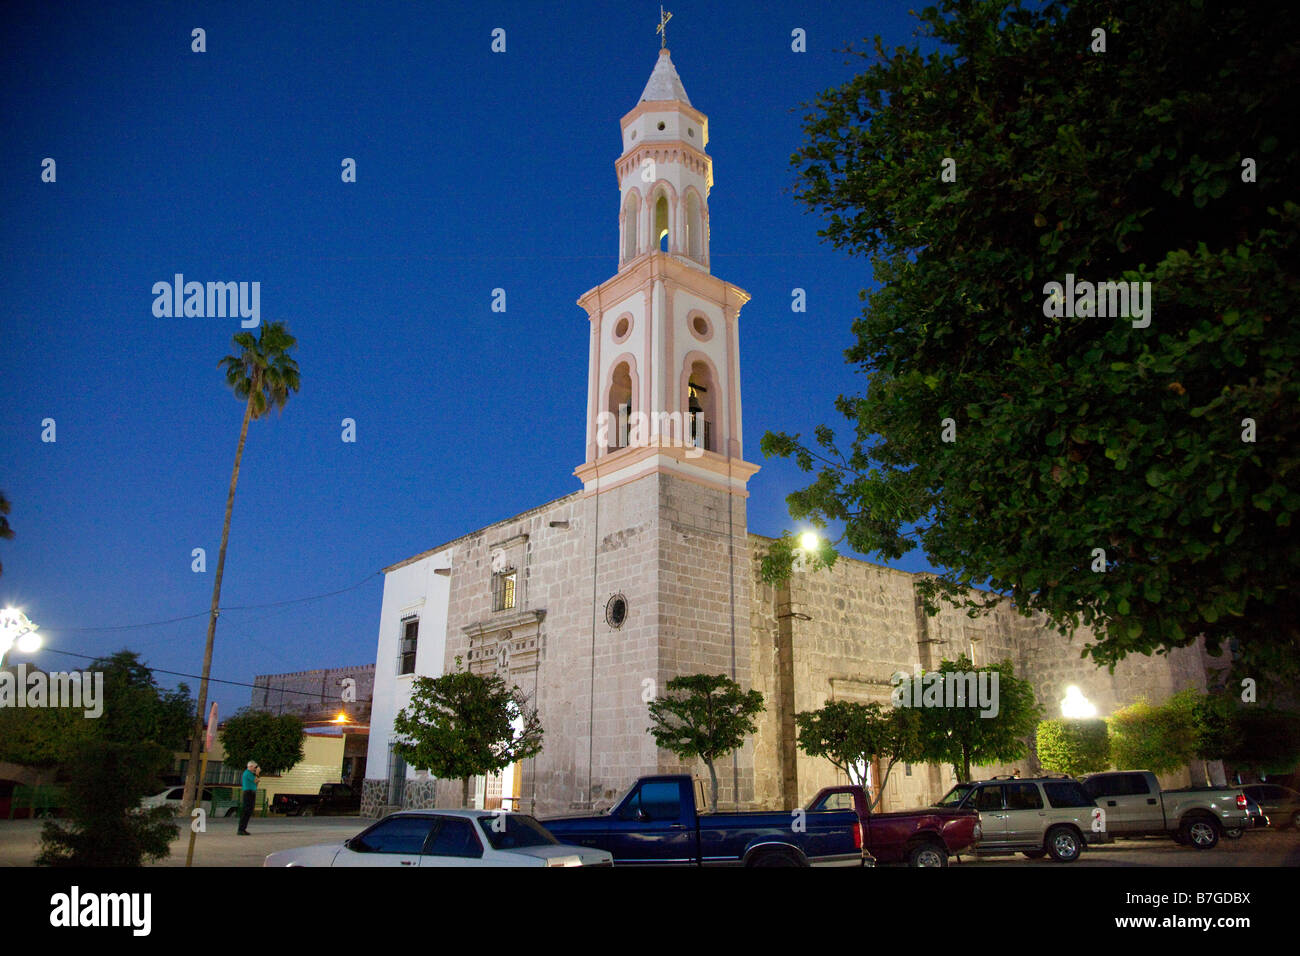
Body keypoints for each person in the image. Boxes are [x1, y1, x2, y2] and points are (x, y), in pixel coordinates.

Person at [238, 760, 260, 835]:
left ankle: (243, 829)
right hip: (248, 793)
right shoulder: (248, 773)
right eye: (255, 767)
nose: (255, 769)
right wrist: (257, 773)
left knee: (249, 810)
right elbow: (256, 780)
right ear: (250, 767)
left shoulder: (250, 773)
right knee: (246, 811)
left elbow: (256, 783)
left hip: (251, 792)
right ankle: (241, 829)